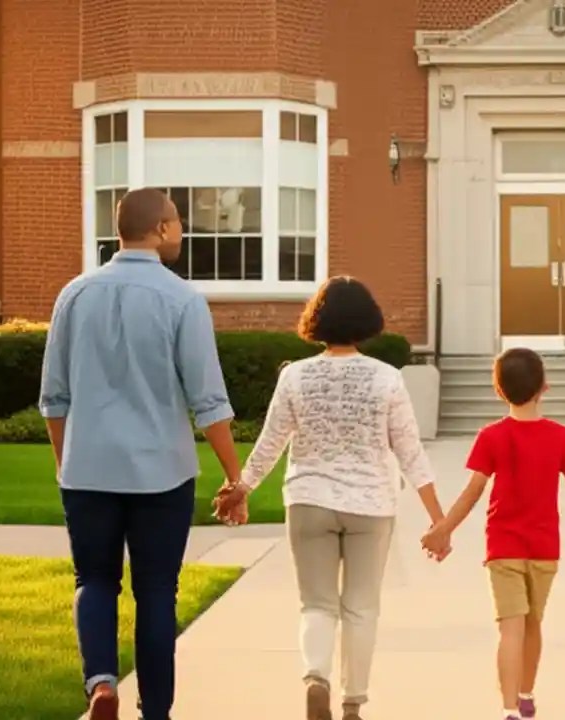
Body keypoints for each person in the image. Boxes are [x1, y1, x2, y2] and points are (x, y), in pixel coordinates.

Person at [38, 188, 243, 720]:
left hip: (88, 472)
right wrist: (234, 477)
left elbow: (53, 398)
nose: (181, 232)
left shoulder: (74, 296)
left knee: (94, 580)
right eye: (177, 223)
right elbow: (209, 401)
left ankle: (102, 683)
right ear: (160, 230)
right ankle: (156, 712)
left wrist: (67, 463)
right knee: (156, 591)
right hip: (162, 474)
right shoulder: (182, 300)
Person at [213, 276, 448, 720]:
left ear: (315, 320)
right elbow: (410, 452)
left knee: (316, 603)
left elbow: (271, 442)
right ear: (367, 321)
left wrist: (242, 487)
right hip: (371, 506)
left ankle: (315, 676)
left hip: (308, 501)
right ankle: (352, 704)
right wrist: (438, 520)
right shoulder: (387, 379)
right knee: (361, 607)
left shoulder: (295, 376)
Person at [420, 348, 565, 720]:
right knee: (533, 625)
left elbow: (473, 491)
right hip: (545, 549)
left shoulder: (491, 436)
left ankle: (510, 708)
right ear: (545, 386)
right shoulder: (560, 436)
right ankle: (527, 694)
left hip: (503, 549)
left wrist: (442, 528)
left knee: (509, 629)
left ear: (499, 390)